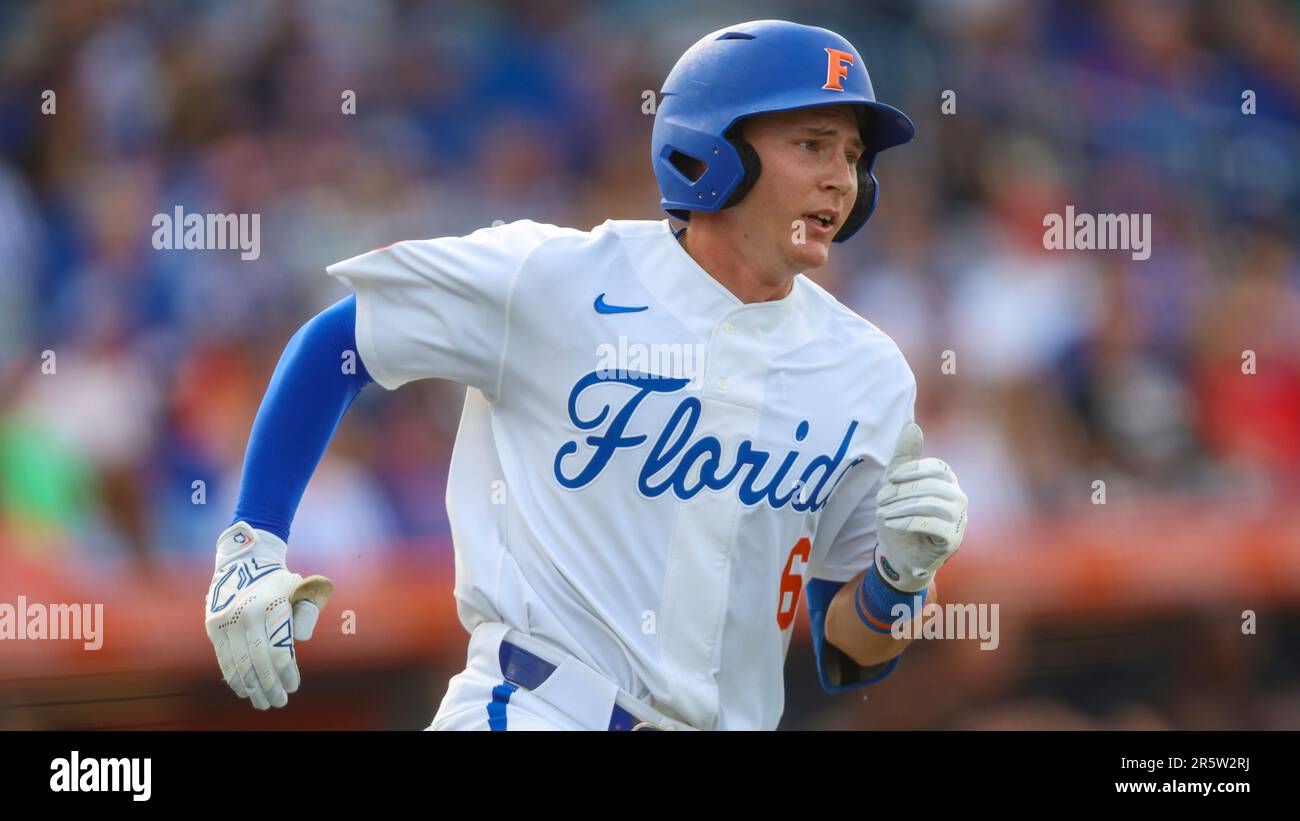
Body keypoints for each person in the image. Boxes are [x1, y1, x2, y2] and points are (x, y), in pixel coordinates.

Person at [202, 19, 968, 731]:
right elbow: (340, 341)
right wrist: (254, 540)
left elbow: (850, 652)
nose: (843, 178)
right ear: (713, 150)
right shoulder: (553, 277)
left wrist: (899, 578)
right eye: (812, 144)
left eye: (855, 157)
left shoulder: (867, 370)